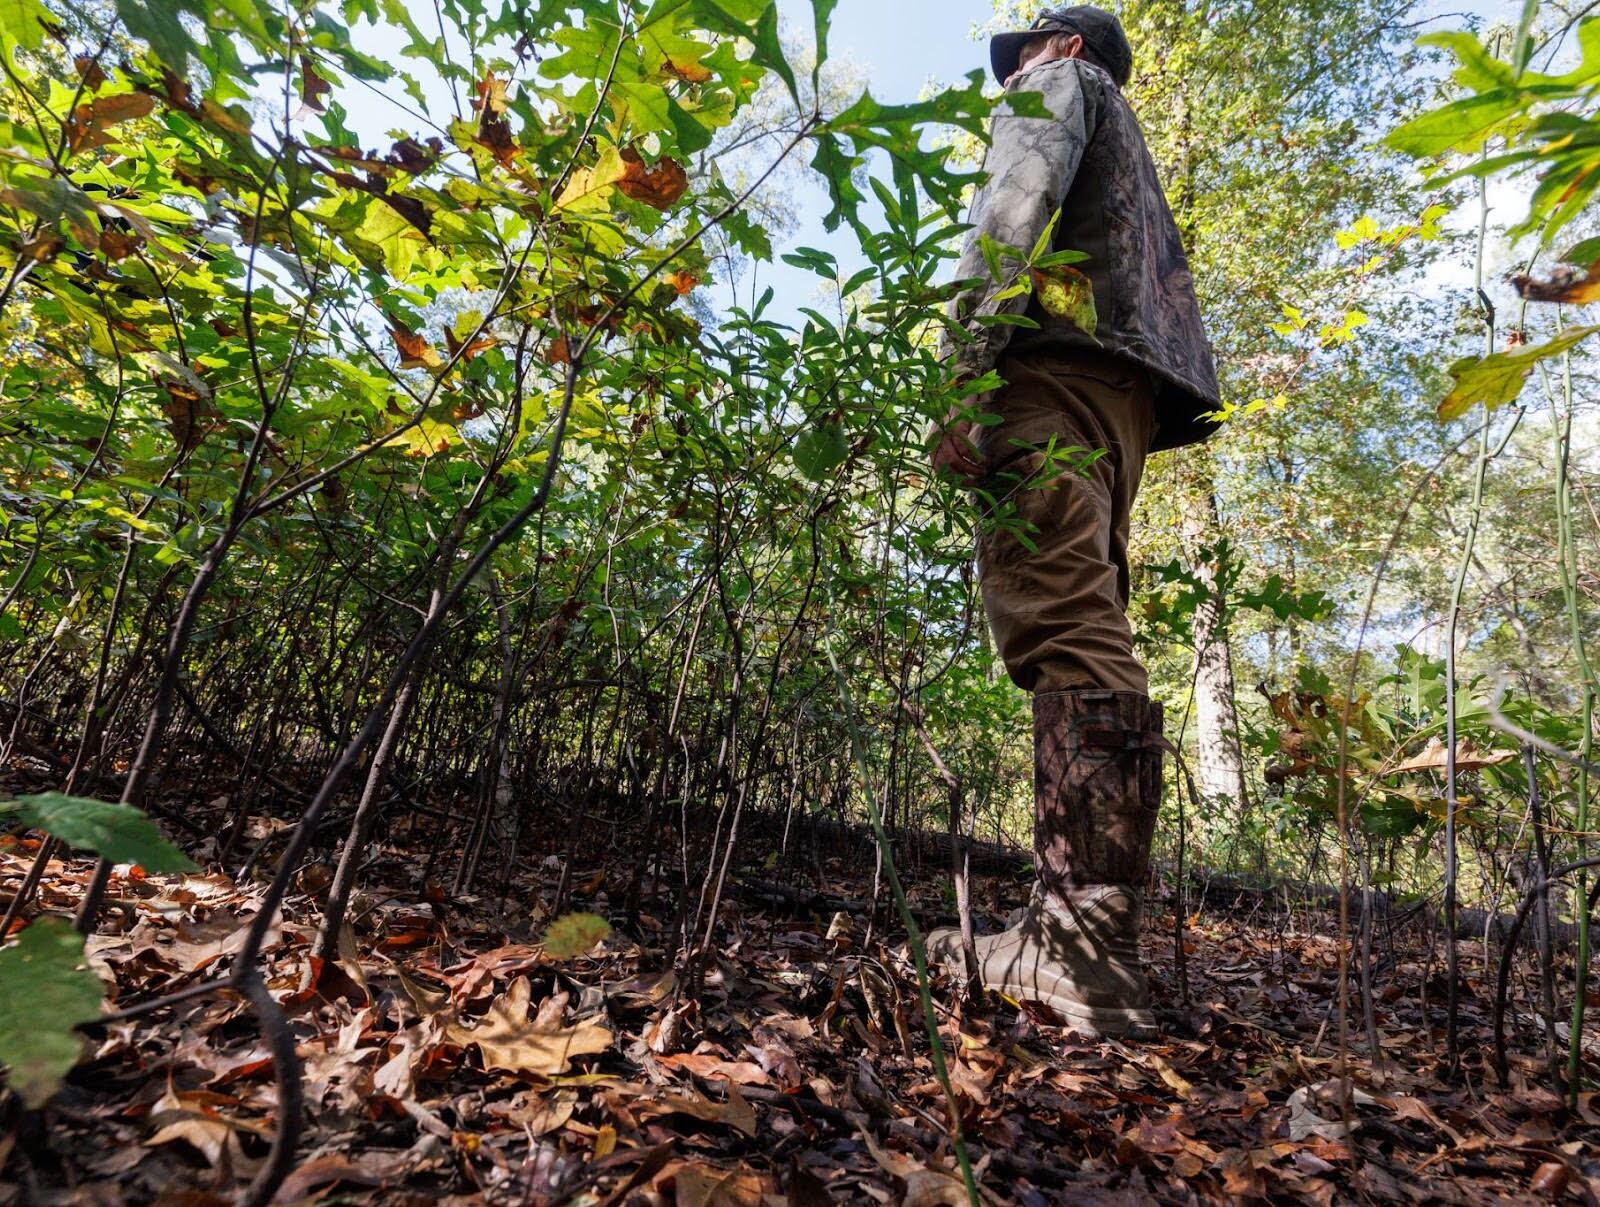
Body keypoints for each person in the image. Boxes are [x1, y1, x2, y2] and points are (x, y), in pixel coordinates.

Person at [924, 6, 1220, 1038]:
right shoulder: (1132, 151)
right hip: (1126, 399)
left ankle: (1082, 948)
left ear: (1068, 48)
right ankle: (1082, 927)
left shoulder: (1066, 89)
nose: (1010, 78)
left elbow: (1014, 202)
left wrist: (963, 369)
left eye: (1023, 55)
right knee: (1089, 615)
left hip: (1049, 376)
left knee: (1060, 616)